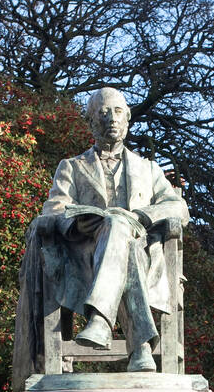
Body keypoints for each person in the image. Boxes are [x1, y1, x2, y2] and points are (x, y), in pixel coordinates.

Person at [38, 87, 191, 371]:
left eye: (118, 111)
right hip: (86, 257)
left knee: (122, 226)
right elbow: (53, 211)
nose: (112, 118)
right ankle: (141, 346)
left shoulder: (148, 169)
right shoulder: (71, 167)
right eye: (103, 112)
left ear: (128, 118)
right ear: (90, 121)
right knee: (117, 226)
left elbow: (179, 209)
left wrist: (143, 217)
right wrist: (76, 222)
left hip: (143, 256)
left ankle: (100, 321)